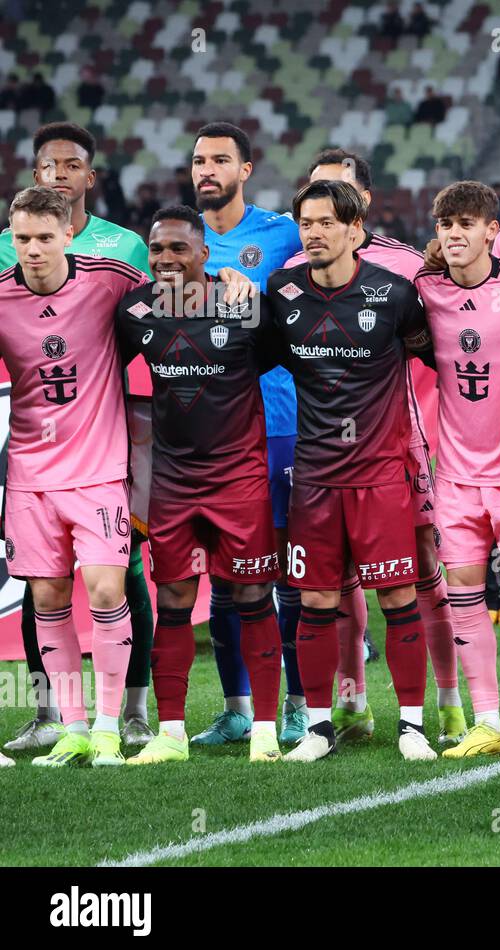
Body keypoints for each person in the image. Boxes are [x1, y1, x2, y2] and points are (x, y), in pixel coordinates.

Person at [286, 148, 457, 744]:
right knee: (316, 599)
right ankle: (317, 726)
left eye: (327, 223)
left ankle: (413, 724)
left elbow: (445, 356)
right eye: (306, 223)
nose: (314, 233)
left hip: (382, 471)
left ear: (356, 229)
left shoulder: (393, 292)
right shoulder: (282, 297)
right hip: (313, 479)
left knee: (398, 594)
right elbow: (240, 363)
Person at [1, 123, 156, 755]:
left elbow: (172, 305)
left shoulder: (111, 277)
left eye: (44, 238)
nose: (32, 250)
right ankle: (68, 727)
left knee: (109, 589)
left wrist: (225, 293)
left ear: (70, 233)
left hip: (99, 470)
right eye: (22, 240)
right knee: (47, 594)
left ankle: (110, 724)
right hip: (31, 476)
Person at [115, 206, 281, 764]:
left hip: (239, 478)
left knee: (254, 598)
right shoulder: (136, 309)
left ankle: (262, 728)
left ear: (204, 254)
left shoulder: (244, 305)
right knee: (175, 600)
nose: (165, 260)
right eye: (157, 249)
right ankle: (170, 734)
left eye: (178, 249)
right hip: (173, 481)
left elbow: (290, 358)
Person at [415, 180, 500, 758]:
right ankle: (487, 721)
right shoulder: (424, 288)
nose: (455, 235)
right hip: (454, 478)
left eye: (466, 225)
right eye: (447, 226)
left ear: (493, 231)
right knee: (463, 593)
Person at [189, 121, 305, 746]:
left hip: (279, 422)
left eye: (219, 160)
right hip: (209, 431)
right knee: (224, 576)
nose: (206, 170)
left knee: (284, 570)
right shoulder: (178, 238)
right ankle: (236, 708)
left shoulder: (284, 233)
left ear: (246, 169)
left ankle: (293, 701)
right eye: (198, 160)